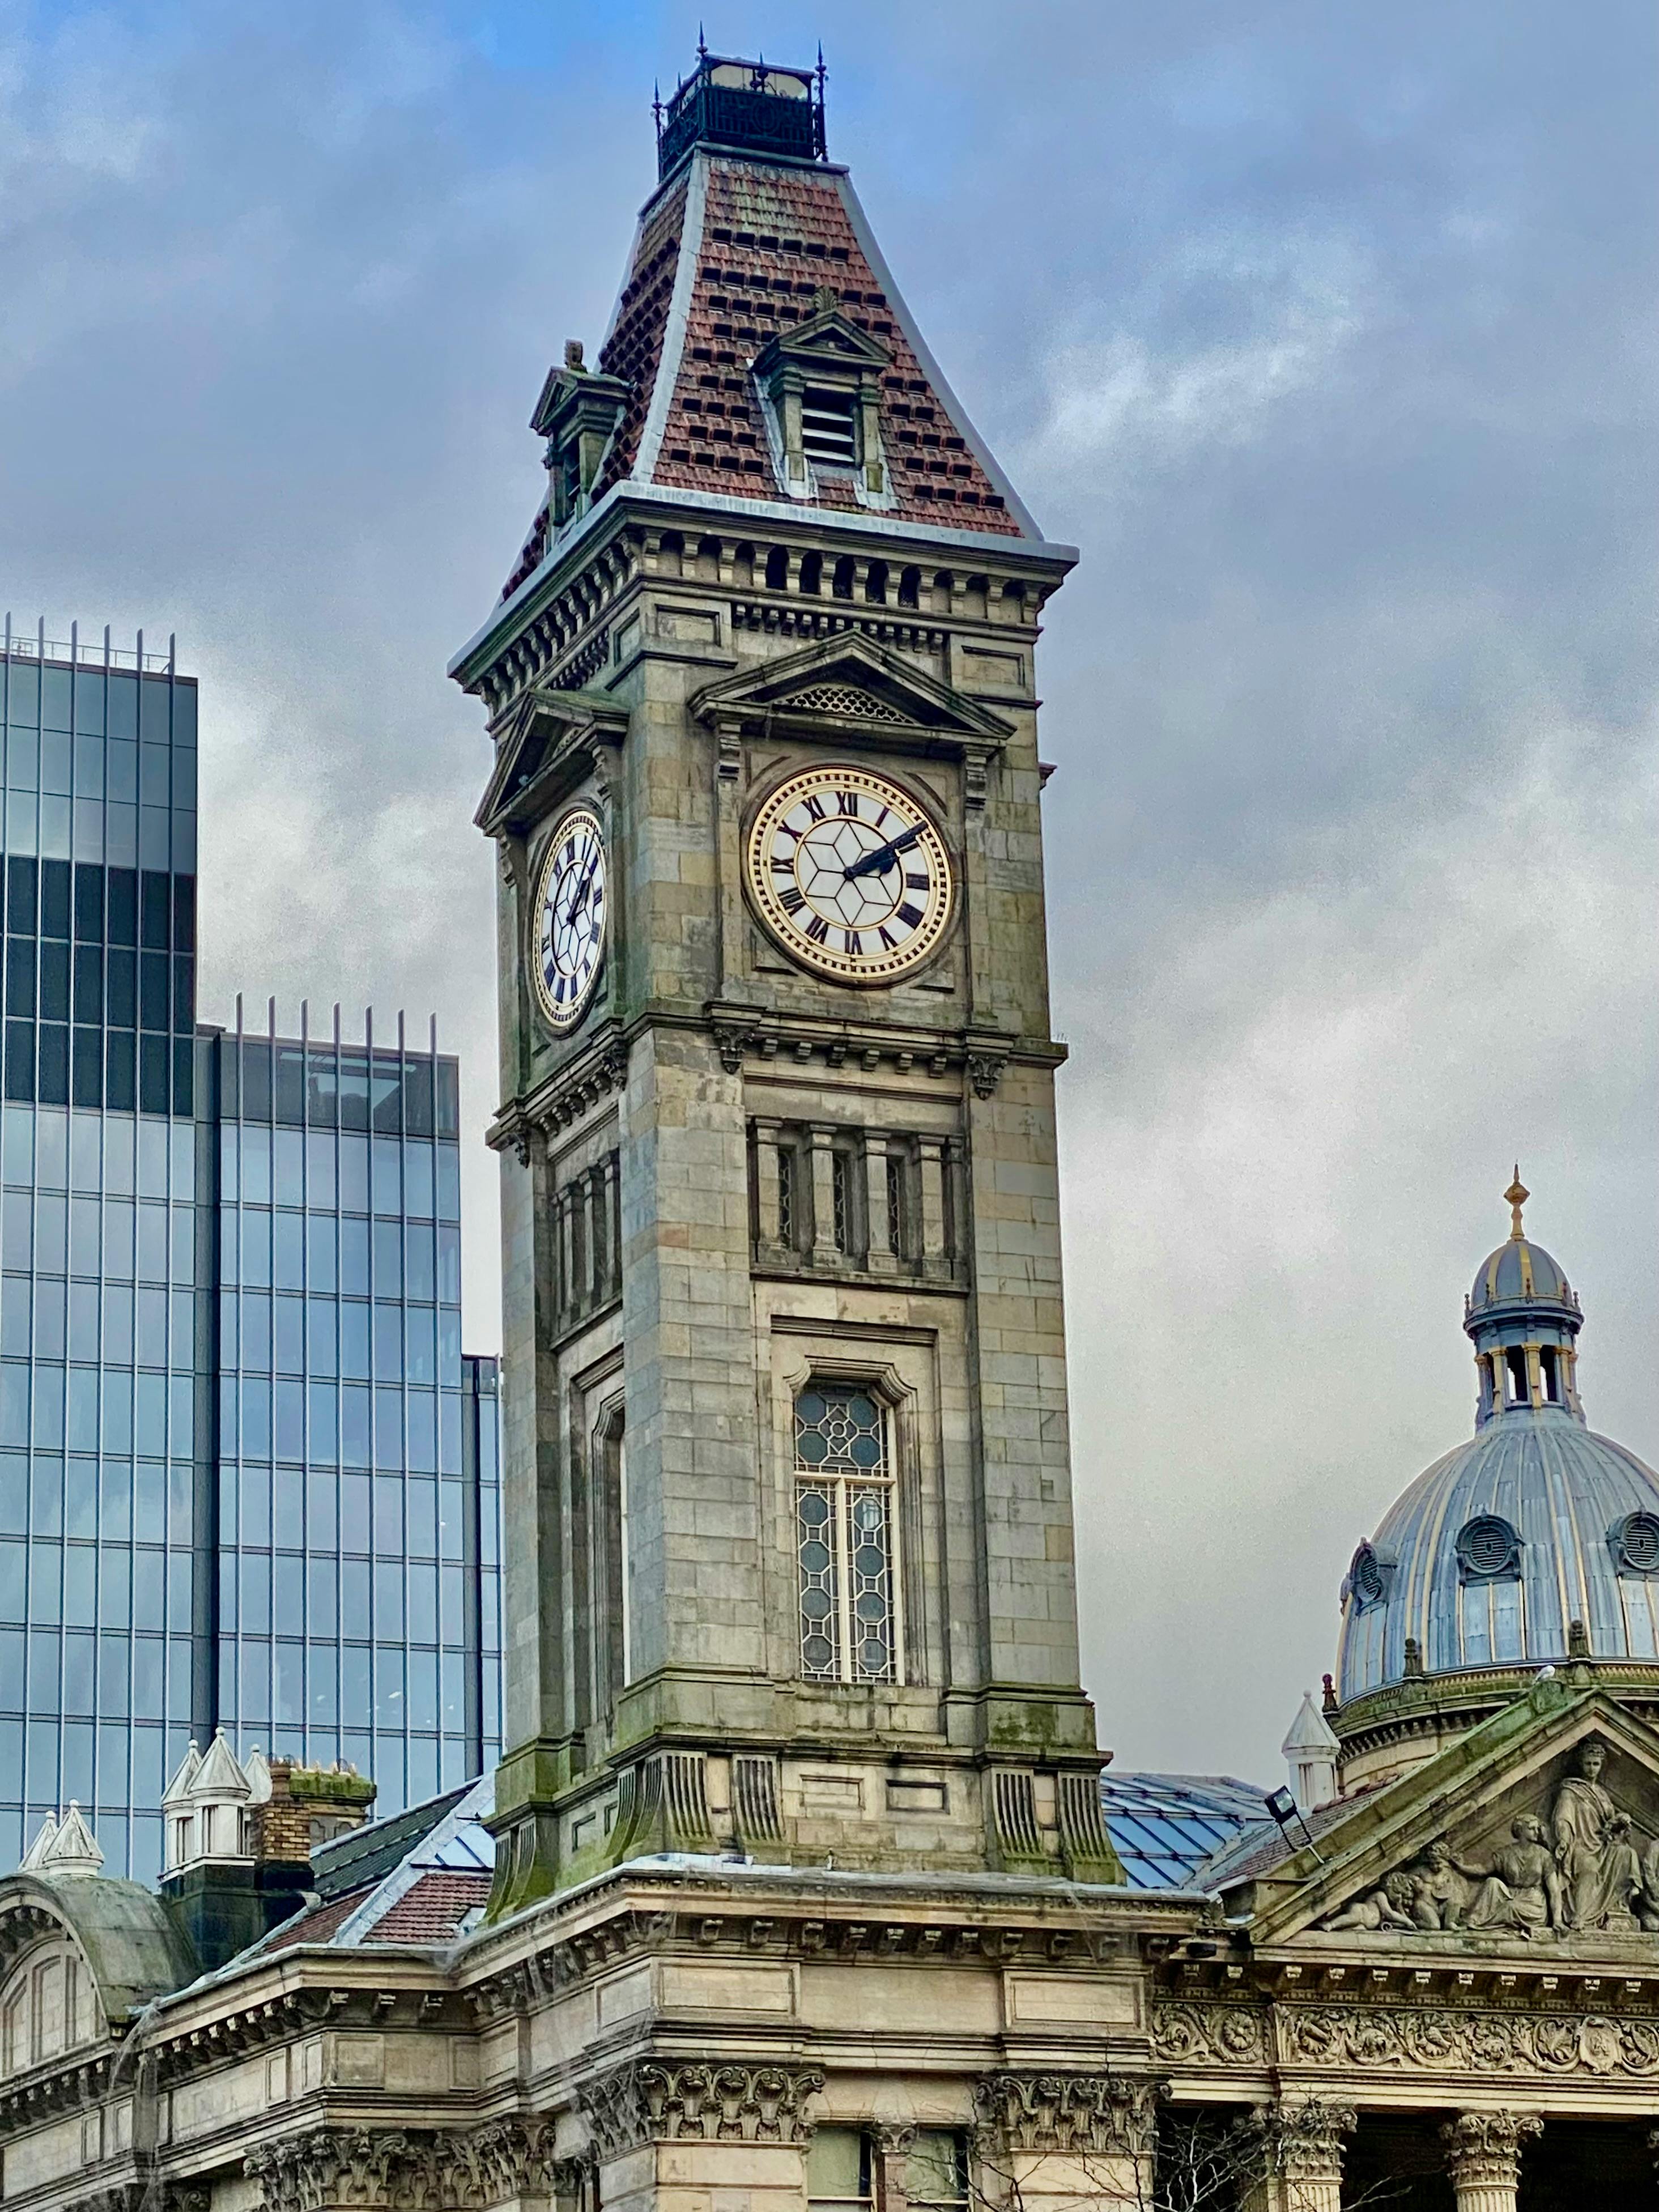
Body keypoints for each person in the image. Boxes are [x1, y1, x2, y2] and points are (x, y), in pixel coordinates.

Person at [1551, 1738, 1640, 1930]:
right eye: (1588, 1764)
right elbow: (1563, 1819)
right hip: (1581, 1846)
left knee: (1627, 1853)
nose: (1592, 1769)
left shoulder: (1602, 1794)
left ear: (1601, 1766)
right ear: (1581, 1764)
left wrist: (1620, 1821)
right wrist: (1564, 1840)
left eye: (1596, 1764)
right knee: (1590, 1868)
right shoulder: (1570, 1790)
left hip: (1603, 1843)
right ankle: (1579, 1916)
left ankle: (1624, 1902)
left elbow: (1609, 1824)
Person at [1464, 1816, 1561, 1933]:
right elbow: (1483, 1869)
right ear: (1520, 1831)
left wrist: (1557, 1920)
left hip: (1533, 1903)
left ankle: (1482, 1924)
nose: (1537, 1832)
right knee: (1492, 1882)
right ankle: (1472, 1921)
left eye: (1538, 1829)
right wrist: (1459, 1865)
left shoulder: (1544, 1855)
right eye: (1532, 1829)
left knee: (1509, 1907)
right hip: (1510, 1895)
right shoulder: (1505, 1853)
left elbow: (1555, 1890)